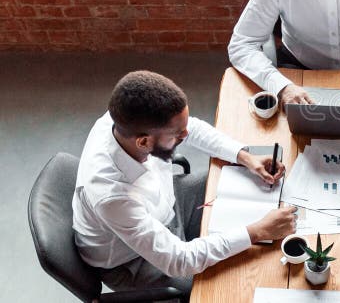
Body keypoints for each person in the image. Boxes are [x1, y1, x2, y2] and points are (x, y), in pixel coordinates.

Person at [72, 70, 297, 295]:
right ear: (143, 142)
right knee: (225, 288)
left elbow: (191, 130)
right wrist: (257, 231)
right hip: (132, 260)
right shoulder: (112, 196)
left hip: (166, 204)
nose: (186, 134)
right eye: (178, 135)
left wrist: (244, 156)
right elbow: (180, 260)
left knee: (237, 180)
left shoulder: (126, 119)